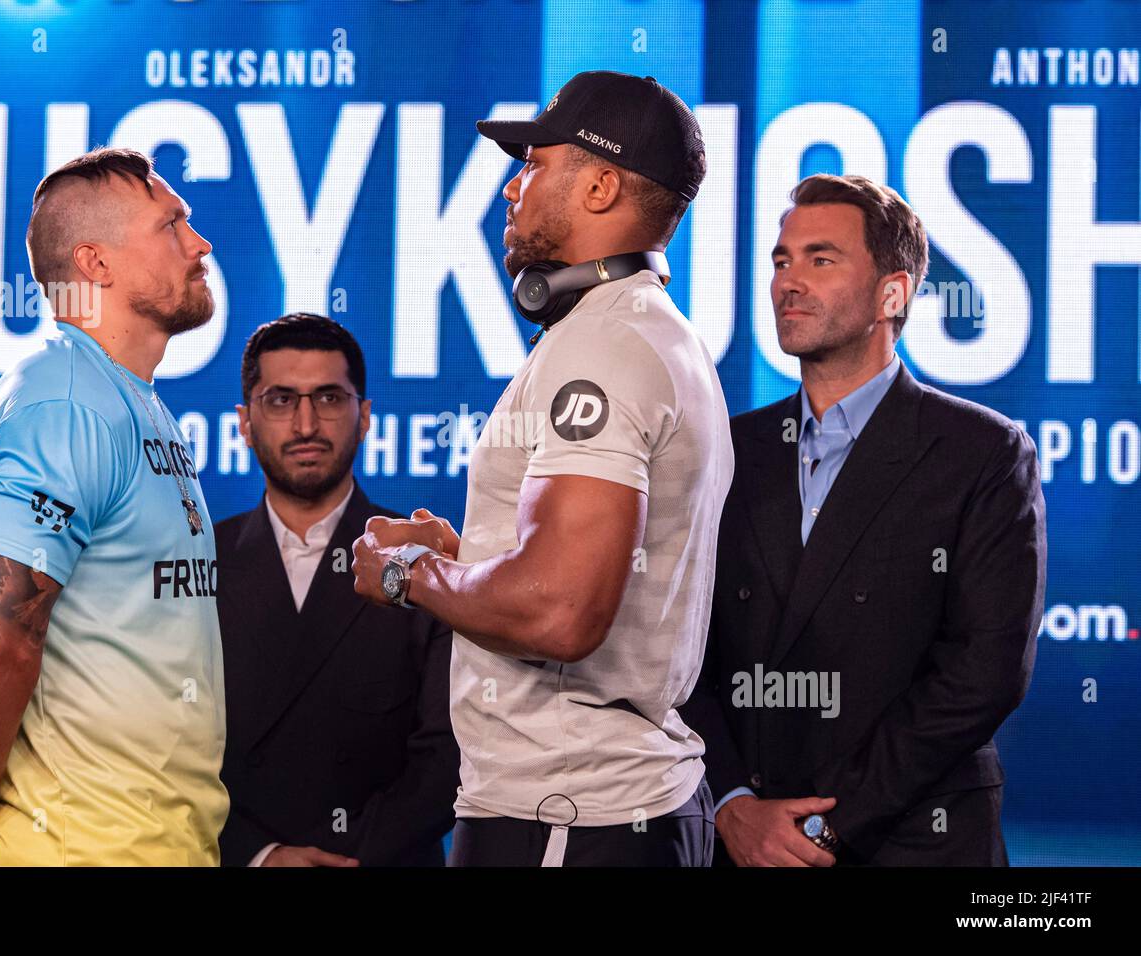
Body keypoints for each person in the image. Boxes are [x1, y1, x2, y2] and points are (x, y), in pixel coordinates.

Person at [351, 70, 733, 866]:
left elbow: (562, 611)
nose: (511, 190)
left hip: (566, 820)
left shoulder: (605, 345)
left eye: (534, 166)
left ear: (599, 186)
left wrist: (407, 572)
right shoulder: (638, 332)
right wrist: (473, 558)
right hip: (598, 814)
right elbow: (576, 571)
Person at [680, 173, 1046, 866]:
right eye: (781, 260)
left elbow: (983, 673)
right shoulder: (729, 450)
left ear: (893, 292)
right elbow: (676, 649)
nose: (789, 281)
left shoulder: (983, 455)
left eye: (821, 259)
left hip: (912, 843)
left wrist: (822, 824)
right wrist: (731, 805)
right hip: (744, 844)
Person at [0, 147, 228, 866]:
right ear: (97, 265)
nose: (200, 243)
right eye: (172, 225)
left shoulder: (125, 400)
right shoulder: (62, 407)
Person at [216, 314, 459, 867]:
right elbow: (164, 747)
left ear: (365, 415)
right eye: (279, 400)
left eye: (328, 398)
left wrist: (354, 859)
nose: (305, 424)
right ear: (244, 423)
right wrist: (259, 854)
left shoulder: (425, 560)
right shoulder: (198, 564)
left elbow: (450, 749)